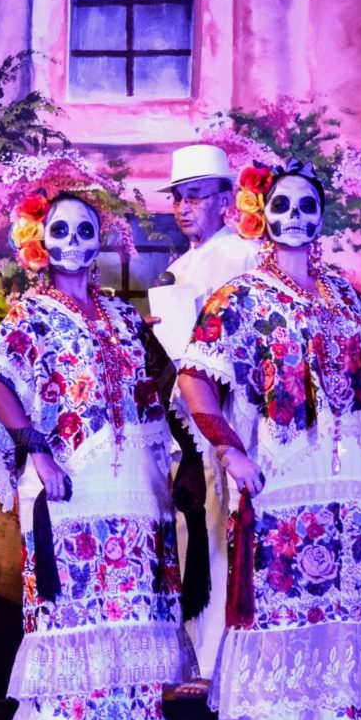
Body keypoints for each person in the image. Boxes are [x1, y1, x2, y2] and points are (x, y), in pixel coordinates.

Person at [175, 160, 361, 720]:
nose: (296, 217)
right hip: (284, 475)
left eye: (308, 206)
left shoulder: (347, 297)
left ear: (322, 216)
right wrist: (228, 446)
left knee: (340, 623)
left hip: (356, 484)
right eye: (283, 205)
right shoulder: (241, 297)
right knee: (283, 619)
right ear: (261, 213)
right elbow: (195, 378)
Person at [0, 168, 197, 720]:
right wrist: (35, 446)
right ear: (41, 241)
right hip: (73, 485)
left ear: (100, 240)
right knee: (77, 622)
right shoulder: (31, 313)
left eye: (84, 230)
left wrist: (175, 463)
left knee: (128, 623)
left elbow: (155, 392)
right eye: (60, 230)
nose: (72, 241)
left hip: (134, 492)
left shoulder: (122, 315)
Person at [147, 144, 263, 684]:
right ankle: (200, 655)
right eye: (178, 198)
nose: (184, 208)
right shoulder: (177, 270)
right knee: (197, 534)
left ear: (224, 200)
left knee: (229, 531)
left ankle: (228, 658)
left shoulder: (246, 257)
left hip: (233, 413)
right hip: (188, 420)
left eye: (194, 196)